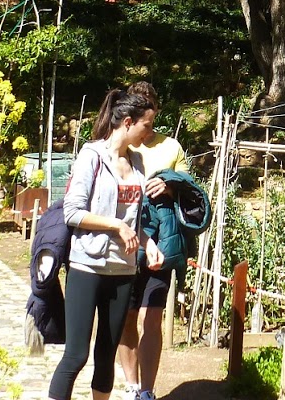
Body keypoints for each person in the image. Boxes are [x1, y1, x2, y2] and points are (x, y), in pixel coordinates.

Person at [47, 89, 165, 400]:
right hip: (88, 266)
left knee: (106, 355)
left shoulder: (138, 163)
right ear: (128, 122)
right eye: (147, 125)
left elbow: (133, 220)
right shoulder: (92, 157)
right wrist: (116, 226)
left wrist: (147, 242)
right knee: (76, 356)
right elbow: (73, 212)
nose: (150, 133)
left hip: (123, 270)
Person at [116, 81, 188, 400]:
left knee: (152, 317)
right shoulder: (120, 145)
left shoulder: (171, 147)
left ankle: (147, 390)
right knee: (127, 316)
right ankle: (132, 387)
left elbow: (191, 190)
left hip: (162, 243)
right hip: (125, 243)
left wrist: (171, 187)